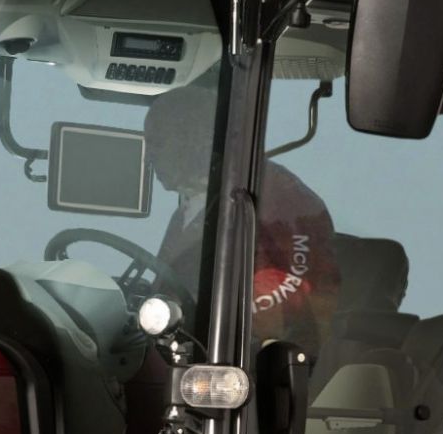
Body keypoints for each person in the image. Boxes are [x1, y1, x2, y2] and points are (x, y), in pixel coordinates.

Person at [142, 79, 341, 356]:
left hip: (261, 368)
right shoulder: (193, 205)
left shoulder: (279, 198)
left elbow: (290, 294)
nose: (148, 158)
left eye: (157, 143)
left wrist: (201, 316)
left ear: (197, 137)